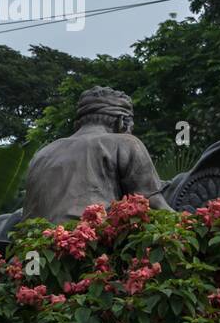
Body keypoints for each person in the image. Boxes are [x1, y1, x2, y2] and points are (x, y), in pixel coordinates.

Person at [23, 86, 170, 225]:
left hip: (31, 246)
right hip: (89, 244)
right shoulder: (125, 143)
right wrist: (189, 225)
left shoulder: (42, 153)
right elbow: (152, 203)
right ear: (122, 122)